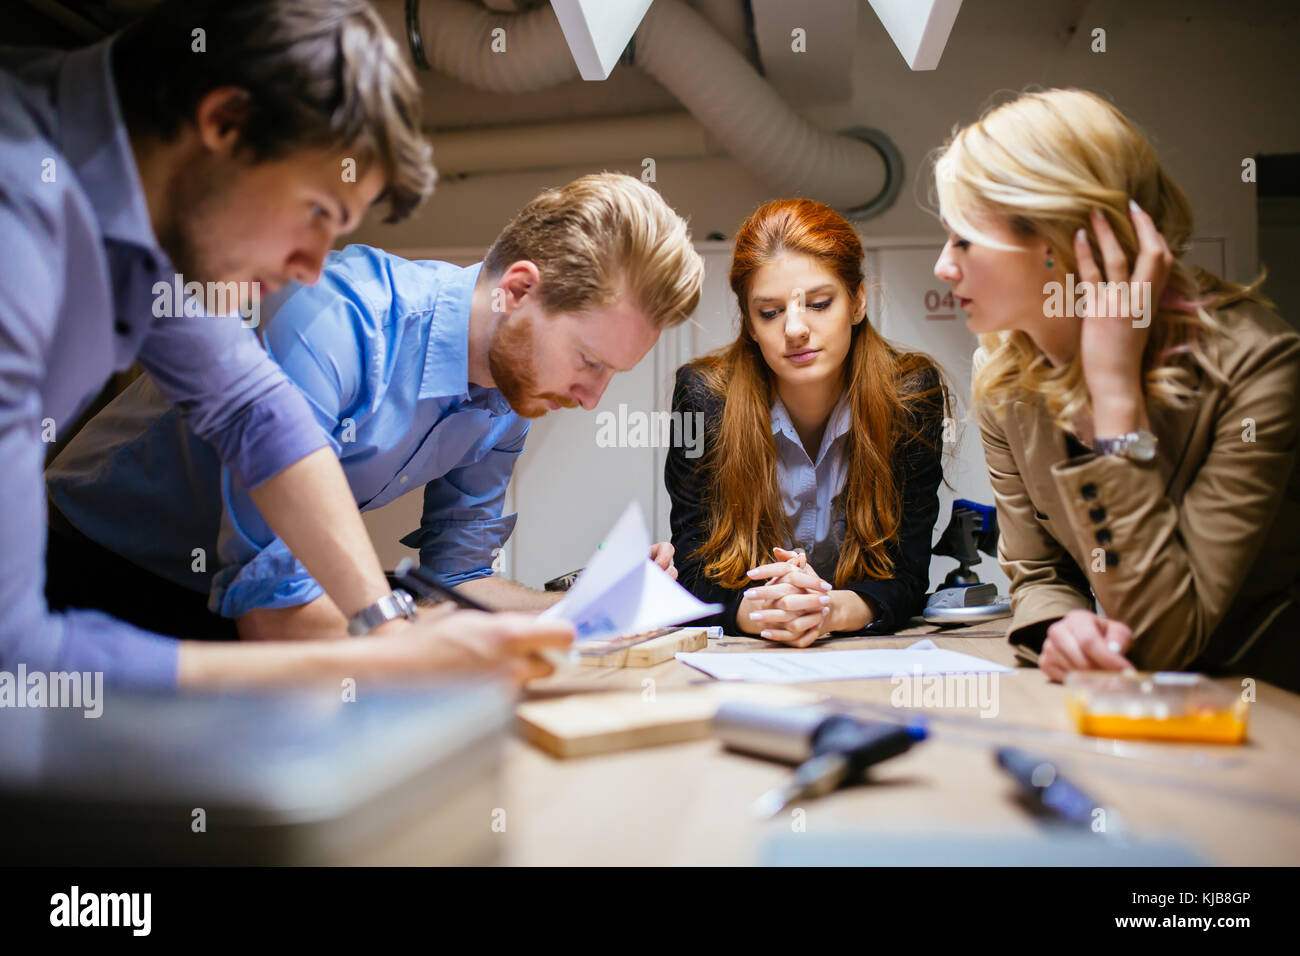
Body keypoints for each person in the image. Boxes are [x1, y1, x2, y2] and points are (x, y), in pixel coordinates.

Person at [1, 0, 571, 691]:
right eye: (318, 214)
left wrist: (385, 627)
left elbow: (254, 412)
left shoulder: (155, 208)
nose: (308, 267)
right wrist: (368, 660)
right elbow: (18, 658)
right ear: (225, 123)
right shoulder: (19, 227)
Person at [47, 174, 703, 640]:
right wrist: (435, 639)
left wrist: (585, 608)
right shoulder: (332, 322)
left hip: (227, 588)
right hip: (87, 560)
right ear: (520, 291)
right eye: (590, 362)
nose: (591, 400)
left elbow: (460, 576)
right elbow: (274, 612)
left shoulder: (511, 394)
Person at [932, 88, 1300, 690]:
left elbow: (1167, 640)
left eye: (965, 240)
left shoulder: (1256, 365)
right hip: (1122, 711)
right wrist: (1061, 628)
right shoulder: (999, 373)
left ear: (1062, 238)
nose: (945, 267)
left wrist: (1114, 401)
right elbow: (1039, 574)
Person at [667, 199, 947, 645]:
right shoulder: (702, 399)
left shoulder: (910, 396)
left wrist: (828, 609)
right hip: (746, 654)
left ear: (857, 302)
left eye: (818, 303)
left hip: (863, 653)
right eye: (771, 312)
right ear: (749, 324)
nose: (795, 329)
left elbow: (907, 577)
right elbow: (693, 570)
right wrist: (754, 611)